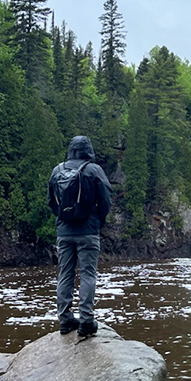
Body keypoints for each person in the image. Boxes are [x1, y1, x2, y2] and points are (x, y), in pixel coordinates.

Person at [47, 136, 112, 337]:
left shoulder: (57, 171)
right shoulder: (94, 170)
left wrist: (63, 219)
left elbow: (51, 201)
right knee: (87, 275)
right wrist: (97, 221)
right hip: (88, 231)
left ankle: (65, 320)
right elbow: (106, 200)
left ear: (71, 150)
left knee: (64, 274)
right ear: (88, 150)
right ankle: (86, 321)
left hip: (64, 232)